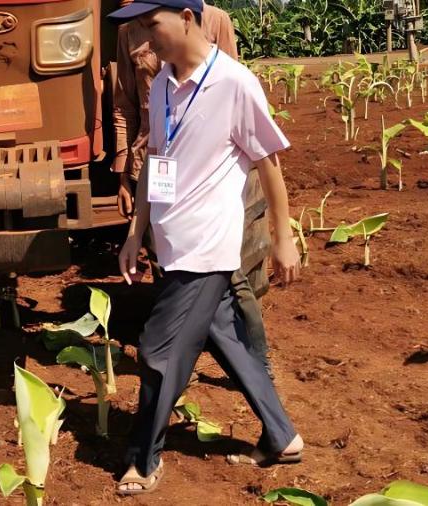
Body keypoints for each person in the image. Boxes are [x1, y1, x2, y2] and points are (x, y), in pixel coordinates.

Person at [109, 0, 304, 495]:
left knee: (158, 349)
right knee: (227, 339)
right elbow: (156, 159)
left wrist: (284, 239)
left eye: (152, 26)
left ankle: (144, 459)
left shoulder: (235, 83)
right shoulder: (161, 84)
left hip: (206, 244)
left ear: (188, 19)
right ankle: (282, 436)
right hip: (170, 241)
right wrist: (136, 232)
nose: (145, 41)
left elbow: (269, 165)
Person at [112, 0, 275, 377]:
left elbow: (232, 100)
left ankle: (257, 365)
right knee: (168, 270)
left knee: (230, 276)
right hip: (158, 168)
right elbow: (126, 104)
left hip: (208, 178)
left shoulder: (214, 20)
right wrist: (124, 169)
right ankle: (184, 359)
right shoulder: (127, 31)